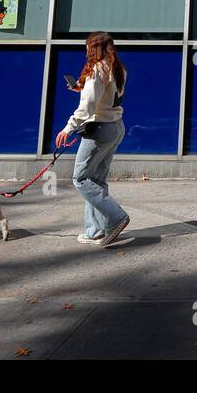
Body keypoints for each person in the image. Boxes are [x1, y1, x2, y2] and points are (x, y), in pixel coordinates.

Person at [56, 32, 130, 248]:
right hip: (116, 127)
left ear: (94, 48)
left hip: (99, 130)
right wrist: (82, 87)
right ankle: (95, 230)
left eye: (88, 46)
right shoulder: (118, 68)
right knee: (96, 180)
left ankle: (116, 217)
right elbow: (104, 96)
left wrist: (68, 128)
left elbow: (88, 106)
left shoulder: (98, 69)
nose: (86, 49)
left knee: (80, 178)